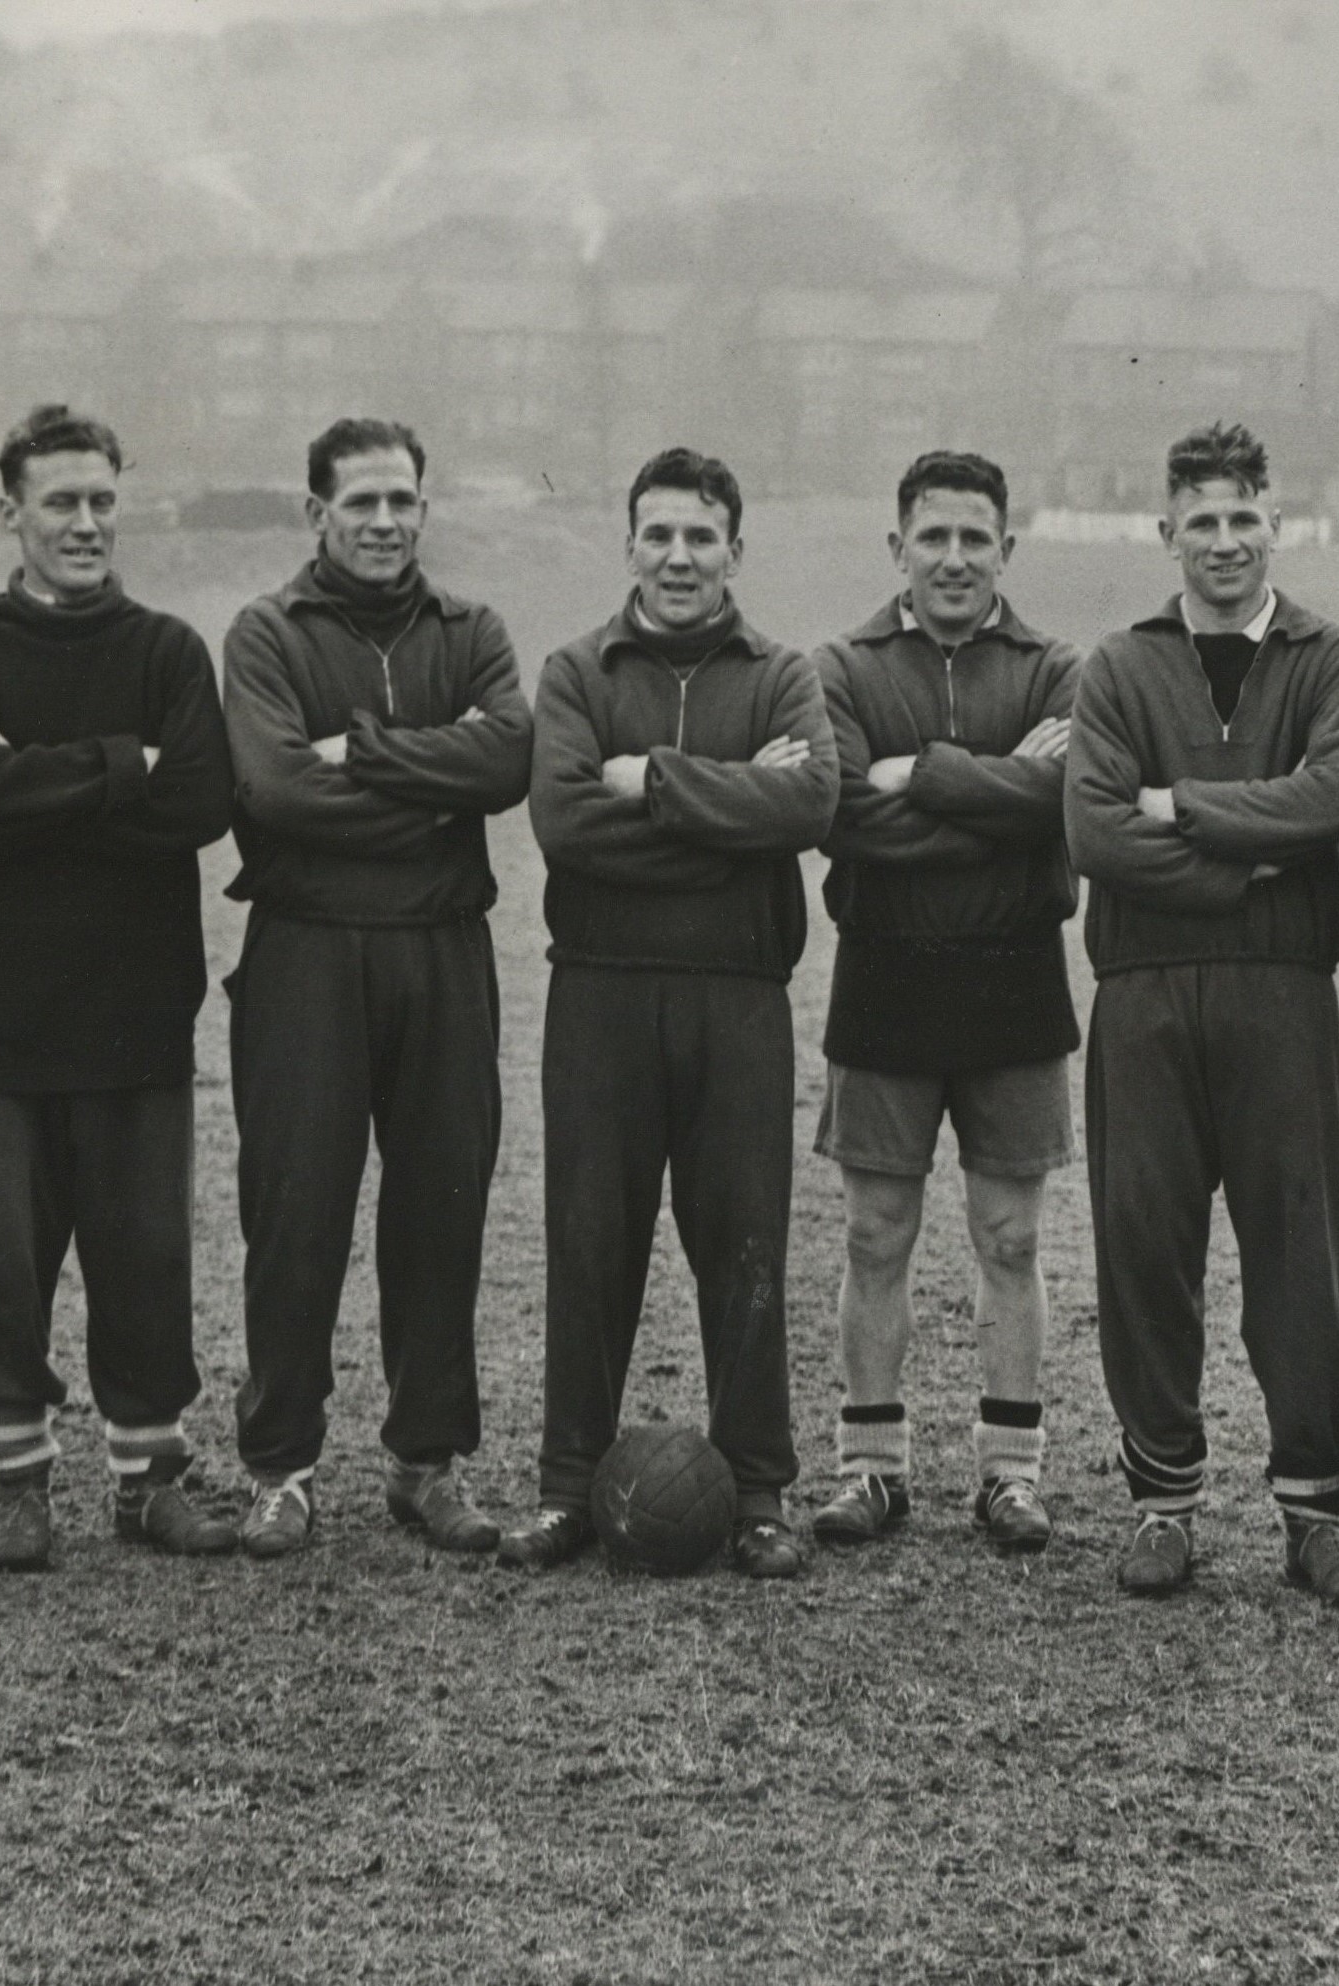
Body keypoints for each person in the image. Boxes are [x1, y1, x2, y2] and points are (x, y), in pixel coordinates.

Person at [0, 404, 237, 1571]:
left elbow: (198, 802)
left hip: (139, 1013)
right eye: (61, 502)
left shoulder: (165, 651)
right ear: (12, 512)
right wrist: (117, 768)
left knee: (144, 1256)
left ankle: (151, 1483)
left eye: (103, 500)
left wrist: (31, 784)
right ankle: (18, 1484)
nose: (86, 522)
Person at [503, 447, 839, 1580]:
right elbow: (563, 824)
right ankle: (566, 1488)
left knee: (742, 1239)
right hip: (598, 991)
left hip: (739, 1001)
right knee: (592, 1236)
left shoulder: (784, 673)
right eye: (660, 534)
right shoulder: (576, 670)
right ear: (629, 544)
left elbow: (809, 801)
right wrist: (728, 817)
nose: (681, 556)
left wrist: (647, 781)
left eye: (703, 536)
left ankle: (755, 1493)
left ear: (736, 550)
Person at [1061, 420, 1339, 1600]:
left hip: (1282, 997)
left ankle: (1313, 1510)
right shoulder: (1120, 664)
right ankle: (1164, 1498)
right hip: (1142, 996)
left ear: (1274, 525)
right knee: (1145, 1243)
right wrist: (1248, 855)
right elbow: (1095, 833)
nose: (1226, 541)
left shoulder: (1326, 654)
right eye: (1203, 521)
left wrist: (1174, 805)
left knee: (1299, 1248)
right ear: (1168, 532)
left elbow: (1333, 795)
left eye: (1245, 519)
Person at [220, 418, 532, 1558]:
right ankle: (281, 1468)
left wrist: (358, 750)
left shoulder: (473, 628)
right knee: (296, 1212)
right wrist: (428, 777)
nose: (387, 524)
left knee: (440, 1206)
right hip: (305, 950)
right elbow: (278, 789)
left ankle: (425, 1461)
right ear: (317, 515)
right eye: (362, 504)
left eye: (404, 502)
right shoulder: (266, 632)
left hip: (442, 949)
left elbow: (506, 759)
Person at [805, 449, 1081, 1556]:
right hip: (885, 976)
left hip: (1017, 980)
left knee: (1010, 1236)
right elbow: (839, 813)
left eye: (976, 538)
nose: (955, 558)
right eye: (934, 537)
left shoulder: (1059, 668)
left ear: (1007, 549)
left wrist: (913, 773)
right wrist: (996, 788)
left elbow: (1063, 808)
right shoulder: (843, 665)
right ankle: (871, 1468)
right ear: (898, 548)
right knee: (877, 1233)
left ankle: (1010, 1472)